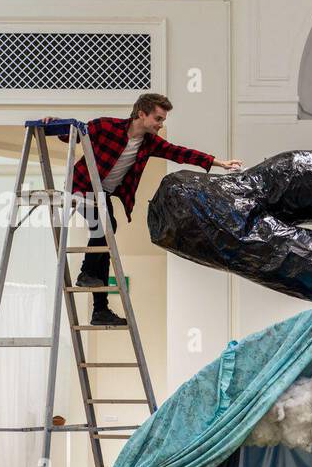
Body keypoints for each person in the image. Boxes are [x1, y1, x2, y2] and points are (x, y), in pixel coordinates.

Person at [42, 94, 241, 325]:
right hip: (82, 187)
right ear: (141, 114)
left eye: (162, 120)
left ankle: (99, 308)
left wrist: (219, 163)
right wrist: (54, 123)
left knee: (106, 235)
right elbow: (75, 134)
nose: (160, 124)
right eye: (158, 118)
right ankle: (88, 275)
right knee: (105, 229)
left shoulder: (149, 143)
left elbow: (180, 153)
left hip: (102, 194)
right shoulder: (106, 126)